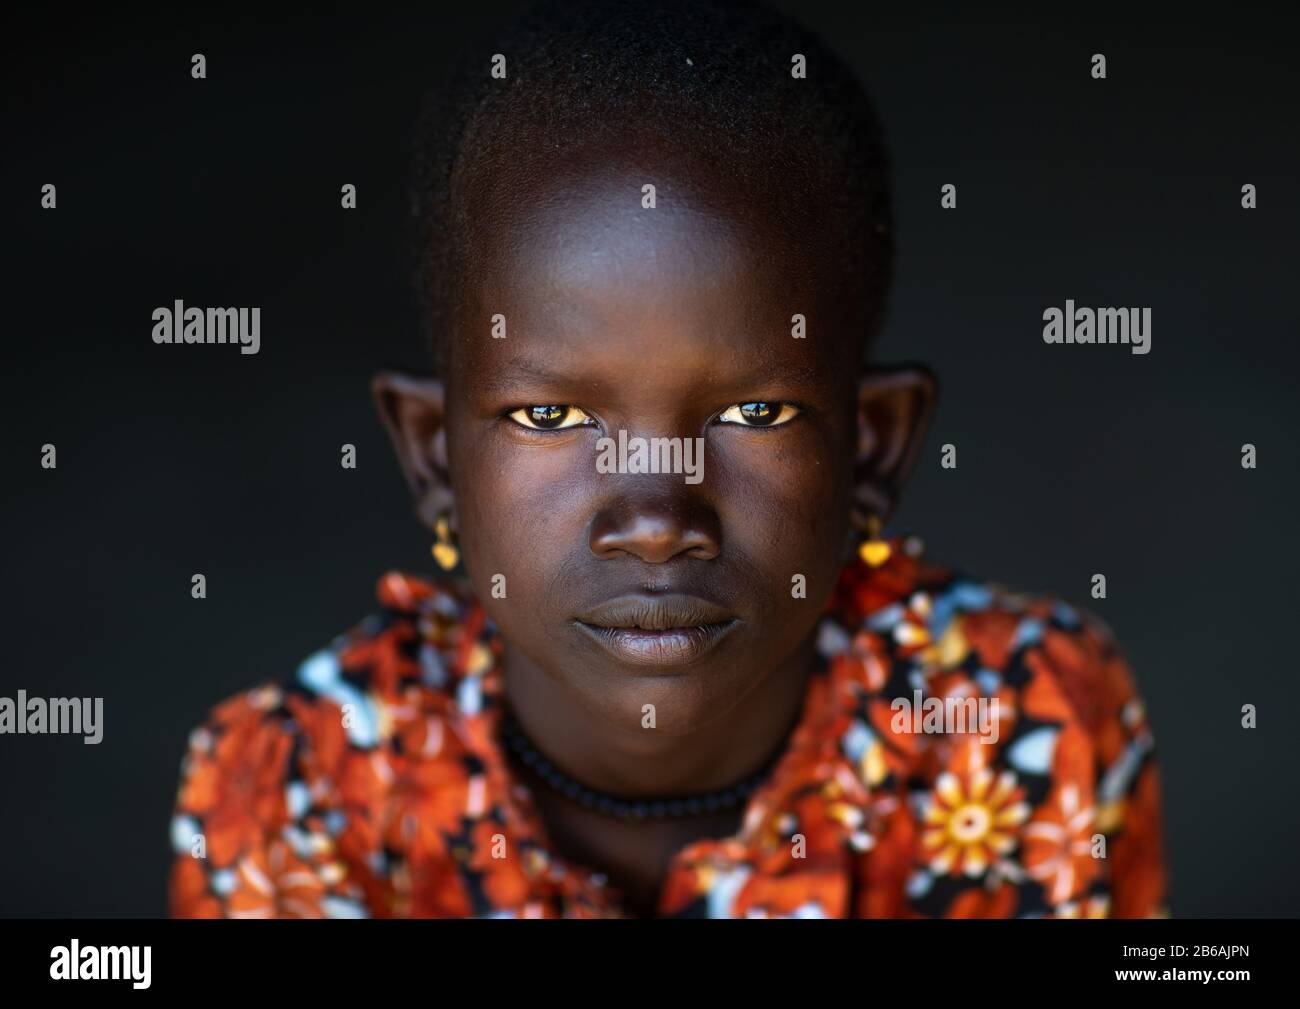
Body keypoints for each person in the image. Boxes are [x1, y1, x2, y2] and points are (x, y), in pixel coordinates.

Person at [168, 0, 1168, 919]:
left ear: (873, 447)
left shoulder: (1030, 723)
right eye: (552, 414)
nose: (654, 518)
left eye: (757, 407)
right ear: (433, 456)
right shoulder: (290, 788)